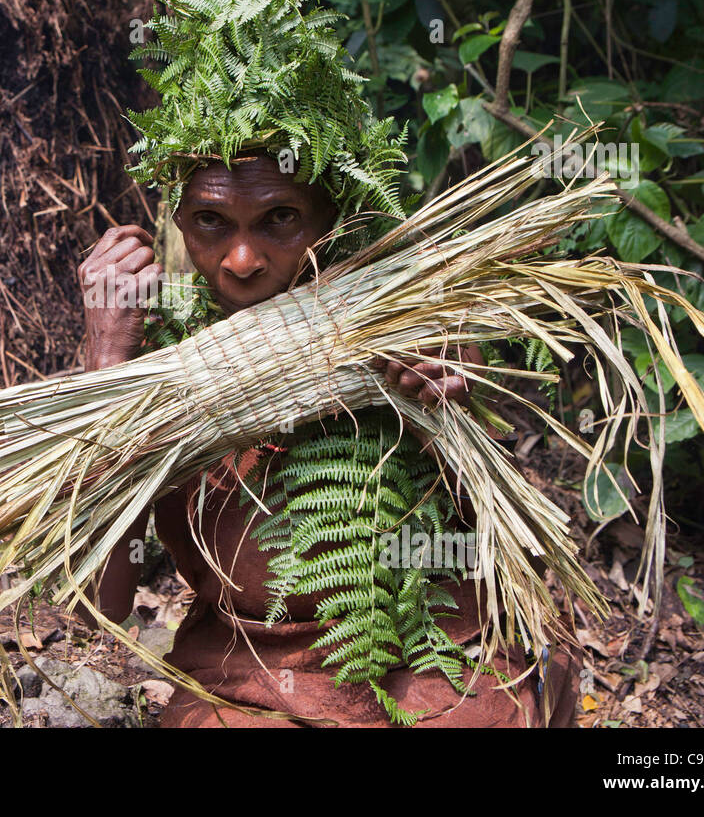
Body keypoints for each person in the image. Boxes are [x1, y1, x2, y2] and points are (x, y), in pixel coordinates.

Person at [77, 155, 579, 727]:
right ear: (178, 224)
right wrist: (108, 367)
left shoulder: (407, 330)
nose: (242, 261)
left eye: (280, 218)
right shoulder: (155, 363)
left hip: (437, 665)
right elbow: (104, 605)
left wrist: (450, 410)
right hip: (250, 682)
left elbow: (505, 555)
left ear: (332, 222)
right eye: (211, 221)